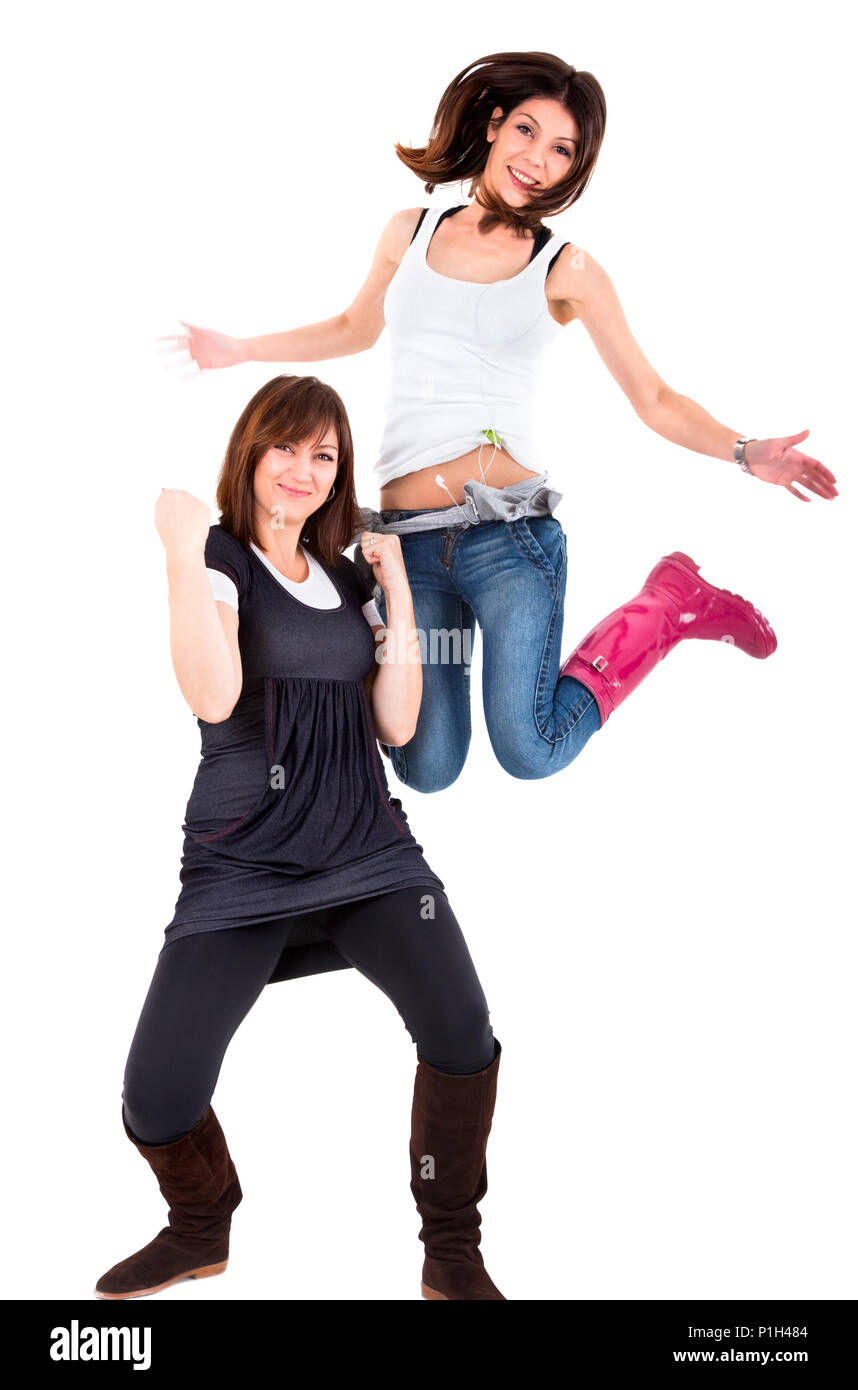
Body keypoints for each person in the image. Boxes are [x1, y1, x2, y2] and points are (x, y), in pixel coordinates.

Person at [162, 51, 837, 791]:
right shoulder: (409, 231)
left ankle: (664, 606)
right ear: (491, 124)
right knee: (426, 763)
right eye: (526, 130)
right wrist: (243, 349)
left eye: (562, 150)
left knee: (531, 747)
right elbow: (355, 327)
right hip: (409, 552)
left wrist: (746, 451)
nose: (536, 159)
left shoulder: (566, 268)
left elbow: (654, 398)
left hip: (508, 546)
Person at [95, 374, 505, 1302]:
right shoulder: (222, 560)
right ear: (252, 450)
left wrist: (397, 593)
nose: (305, 469)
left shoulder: (349, 574)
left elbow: (396, 724)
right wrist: (175, 547)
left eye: (325, 455)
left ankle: (452, 1247)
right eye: (288, 446)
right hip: (244, 861)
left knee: (462, 1031)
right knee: (156, 1097)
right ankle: (200, 1229)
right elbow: (213, 697)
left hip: (368, 850)